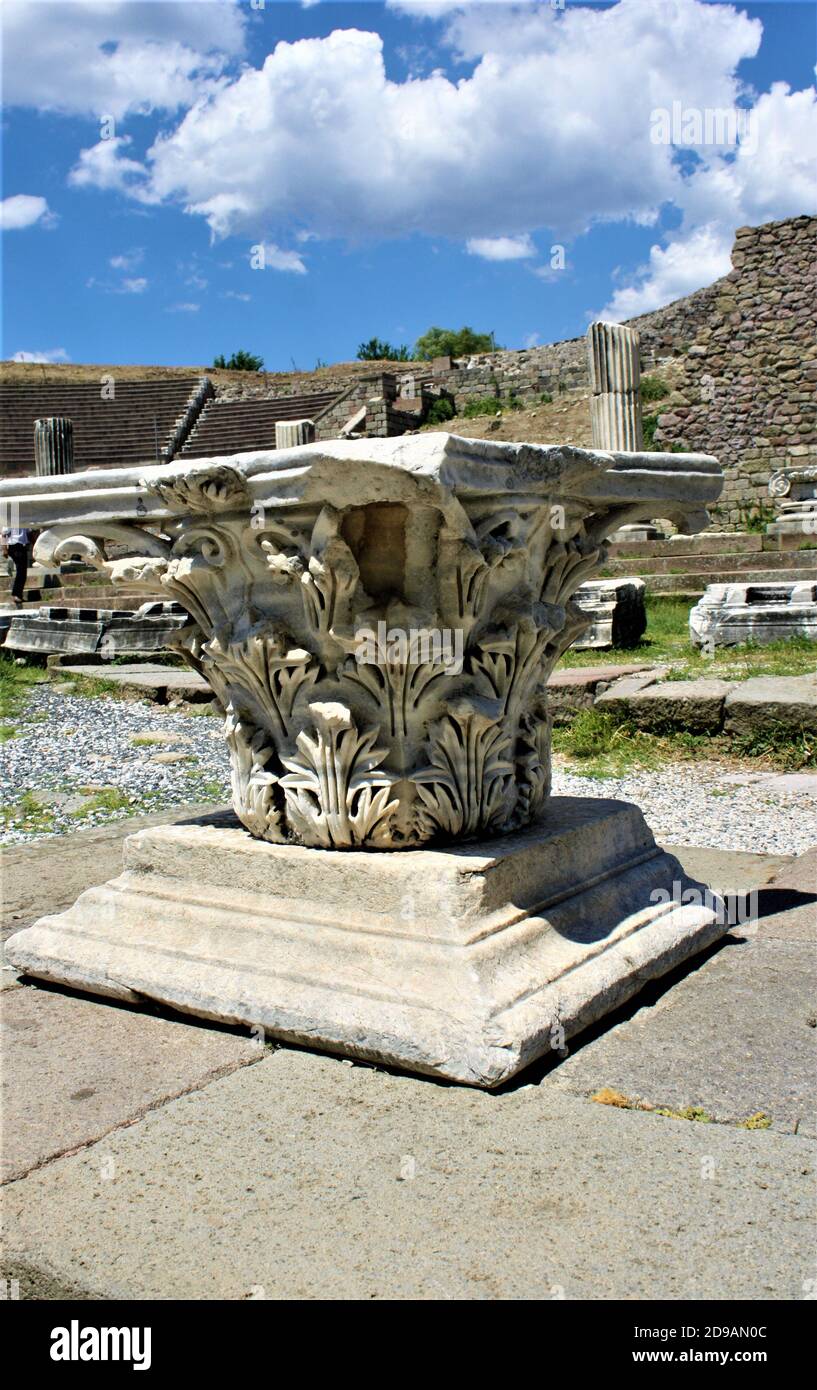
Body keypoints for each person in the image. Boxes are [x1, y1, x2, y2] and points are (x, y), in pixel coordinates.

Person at [2, 526, 30, 607]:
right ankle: (16, 595)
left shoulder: (24, 518)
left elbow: (28, 532)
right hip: (14, 546)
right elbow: (4, 534)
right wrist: (4, 549)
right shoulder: (11, 518)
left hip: (23, 546)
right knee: (21, 570)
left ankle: (19, 595)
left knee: (23, 571)